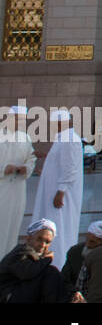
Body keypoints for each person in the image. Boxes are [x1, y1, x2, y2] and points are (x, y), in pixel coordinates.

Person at [28, 109, 82, 270]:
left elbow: (70, 168)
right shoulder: (63, 138)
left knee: (60, 228)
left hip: (61, 196)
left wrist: (61, 191)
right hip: (55, 192)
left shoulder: (69, 139)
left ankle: (58, 264)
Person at [0, 219, 67, 303]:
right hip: (8, 296)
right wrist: (47, 259)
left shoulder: (34, 255)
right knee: (50, 272)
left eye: (47, 242)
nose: (43, 245)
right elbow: (27, 272)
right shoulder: (21, 251)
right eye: (39, 239)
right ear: (28, 238)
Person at [1, 104, 36, 251]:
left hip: (17, 189)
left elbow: (31, 158)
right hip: (2, 187)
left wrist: (26, 168)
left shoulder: (25, 137)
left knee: (13, 225)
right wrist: (3, 169)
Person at [61, 220, 102, 296]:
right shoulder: (75, 251)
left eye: (93, 242)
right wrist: (75, 294)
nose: (88, 245)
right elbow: (64, 280)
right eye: (87, 239)